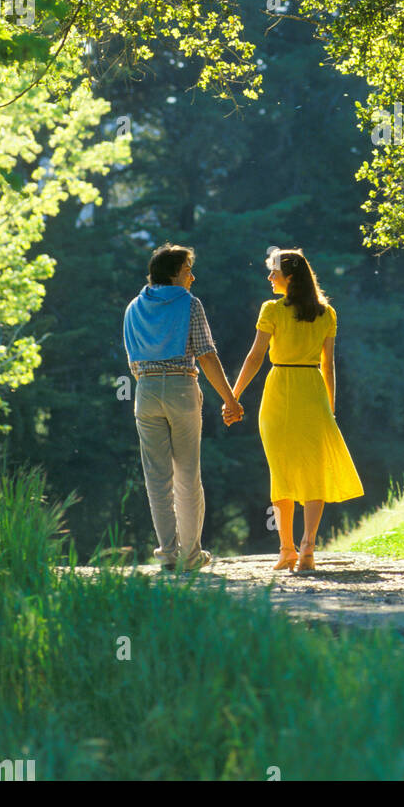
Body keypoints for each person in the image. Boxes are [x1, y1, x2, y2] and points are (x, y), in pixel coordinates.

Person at [229, 248, 363, 572]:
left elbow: (255, 357)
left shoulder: (272, 309)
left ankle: (286, 548)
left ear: (288, 277)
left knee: (282, 471)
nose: (269, 277)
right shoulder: (326, 313)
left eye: (273, 271)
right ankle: (307, 549)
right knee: (313, 472)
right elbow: (328, 364)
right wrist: (329, 406)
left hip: (279, 389)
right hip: (313, 391)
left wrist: (233, 396)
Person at [123, 243, 244, 573]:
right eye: (188, 270)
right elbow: (206, 355)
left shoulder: (133, 307)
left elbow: (132, 359)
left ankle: (168, 555)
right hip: (180, 386)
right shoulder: (189, 303)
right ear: (174, 274)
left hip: (145, 390)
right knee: (187, 473)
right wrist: (230, 399)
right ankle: (191, 555)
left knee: (156, 477)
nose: (192, 276)